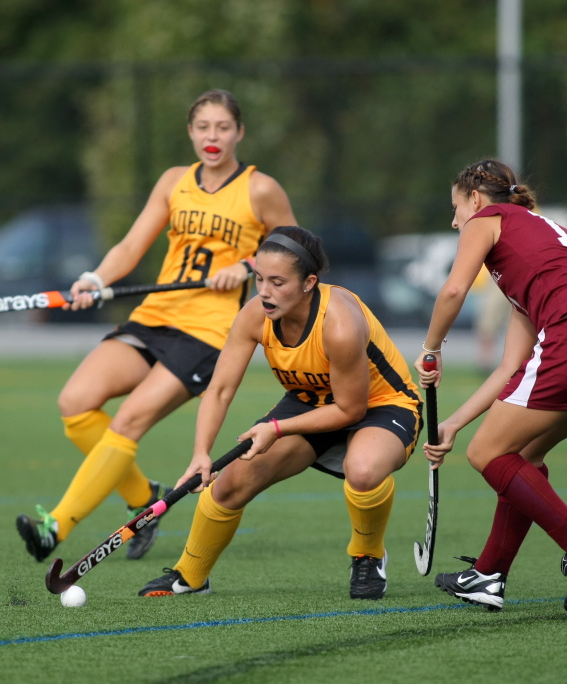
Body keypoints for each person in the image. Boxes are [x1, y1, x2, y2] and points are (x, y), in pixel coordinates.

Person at [16, 89, 297, 562]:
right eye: (203, 127)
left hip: (209, 333)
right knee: (76, 403)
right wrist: (94, 279)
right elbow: (130, 247)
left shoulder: (260, 189)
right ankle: (145, 497)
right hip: (155, 316)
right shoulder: (173, 181)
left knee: (128, 421)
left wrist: (249, 265)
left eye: (223, 127)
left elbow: (293, 247)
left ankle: (55, 528)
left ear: (239, 133)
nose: (213, 137)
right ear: (190, 131)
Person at [138, 225, 423, 600]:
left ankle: (368, 555)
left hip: (382, 404)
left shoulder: (339, 322)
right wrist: (201, 454)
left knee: (363, 469)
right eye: (259, 279)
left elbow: (351, 409)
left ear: (309, 283)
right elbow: (221, 389)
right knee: (231, 482)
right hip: (310, 401)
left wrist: (276, 427)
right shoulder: (255, 315)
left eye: (277, 282)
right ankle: (190, 575)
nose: (265, 292)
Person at [415, 159, 567, 614]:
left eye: (455, 207)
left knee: (487, 455)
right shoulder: (534, 244)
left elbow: (454, 291)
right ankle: (489, 574)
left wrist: (431, 348)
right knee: (522, 457)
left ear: (475, 199)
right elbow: (510, 370)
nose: (455, 219)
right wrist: (454, 423)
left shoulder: (486, 221)